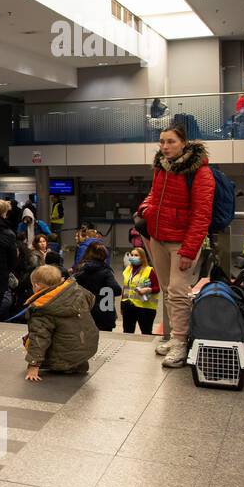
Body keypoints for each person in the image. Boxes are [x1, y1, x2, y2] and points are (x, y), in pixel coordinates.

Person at [137, 123, 216, 367]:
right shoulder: (161, 167)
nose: (165, 146)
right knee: (169, 291)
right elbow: (153, 194)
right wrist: (146, 209)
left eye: (170, 141)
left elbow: (202, 215)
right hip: (158, 238)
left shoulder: (200, 173)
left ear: (183, 142)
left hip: (181, 243)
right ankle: (175, 337)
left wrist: (189, 250)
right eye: (161, 141)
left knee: (179, 292)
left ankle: (181, 343)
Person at [22, 265, 99, 382]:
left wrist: (33, 365)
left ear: (36, 286)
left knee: (29, 339)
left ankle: (63, 365)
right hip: (87, 348)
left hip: (64, 355)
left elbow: (39, 338)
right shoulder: (76, 289)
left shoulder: (42, 308)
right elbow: (91, 299)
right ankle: (76, 363)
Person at [72, 242, 121, 332]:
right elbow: (117, 290)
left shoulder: (80, 270)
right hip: (103, 312)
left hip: (84, 311)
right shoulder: (106, 272)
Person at [121, 246, 161, 335]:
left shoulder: (149, 270)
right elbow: (125, 287)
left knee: (146, 333)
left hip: (145, 308)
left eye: (136, 255)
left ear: (142, 257)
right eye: (132, 255)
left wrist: (148, 289)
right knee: (127, 332)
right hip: (128, 305)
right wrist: (122, 304)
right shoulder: (128, 269)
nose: (132, 257)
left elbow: (157, 288)